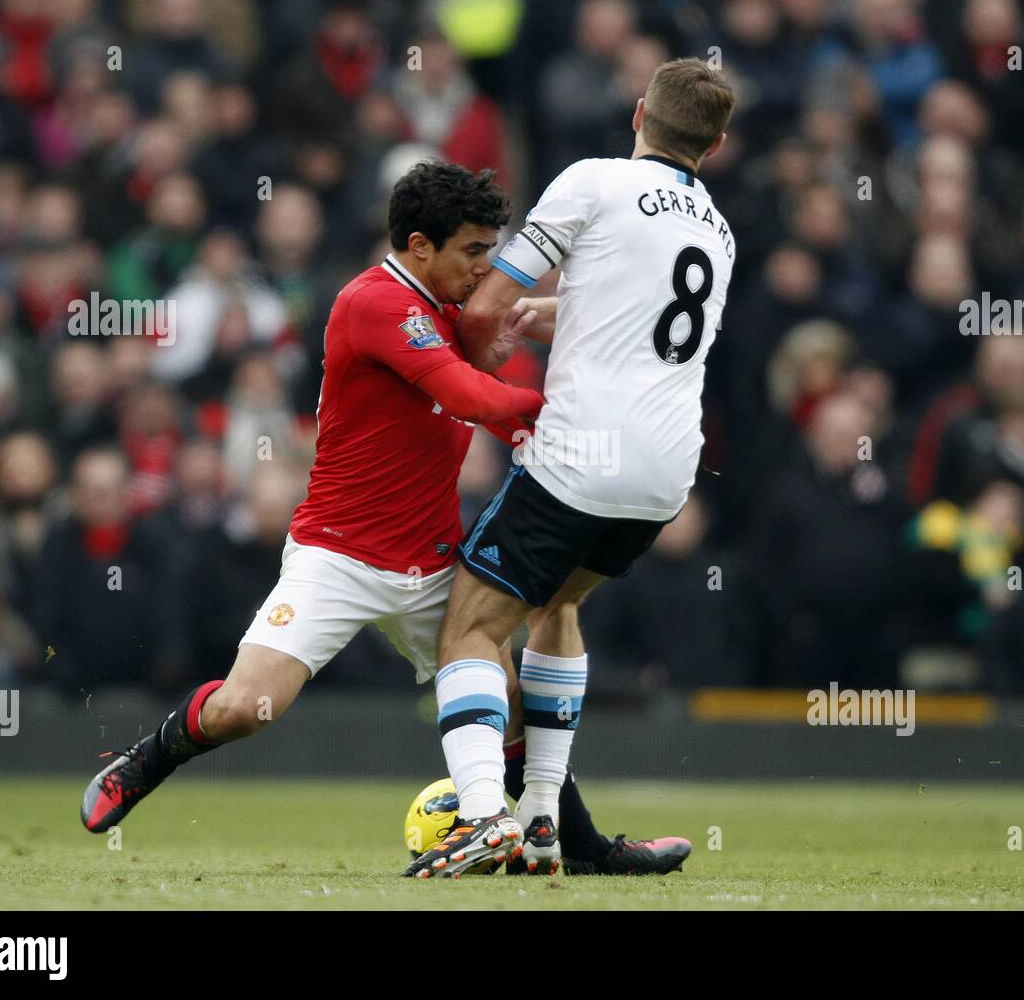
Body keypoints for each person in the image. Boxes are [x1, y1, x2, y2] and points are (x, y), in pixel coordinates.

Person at [79, 161, 685, 877]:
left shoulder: (454, 308)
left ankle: (577, 845)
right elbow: (470, 396)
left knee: (506, 702)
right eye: (472, 252)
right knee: (247, 707)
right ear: (421, 246)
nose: (484, 268)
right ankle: (146, 760)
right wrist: (578, 423)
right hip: (337, 556)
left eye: (491, 250)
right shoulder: (373, 302)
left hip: (430, 559)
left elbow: (533, 321)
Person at [404, 59, 735, 878]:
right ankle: (545, 818)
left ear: (637, 115)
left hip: (581, 454)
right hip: (664, 472)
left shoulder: (593, 182)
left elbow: (483, 306)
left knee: (472, 629)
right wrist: (541, 316)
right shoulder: (719, 232)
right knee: (558, 606)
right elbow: (625, 319)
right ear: (716, 144)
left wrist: (463, 378)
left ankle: (483, 815)